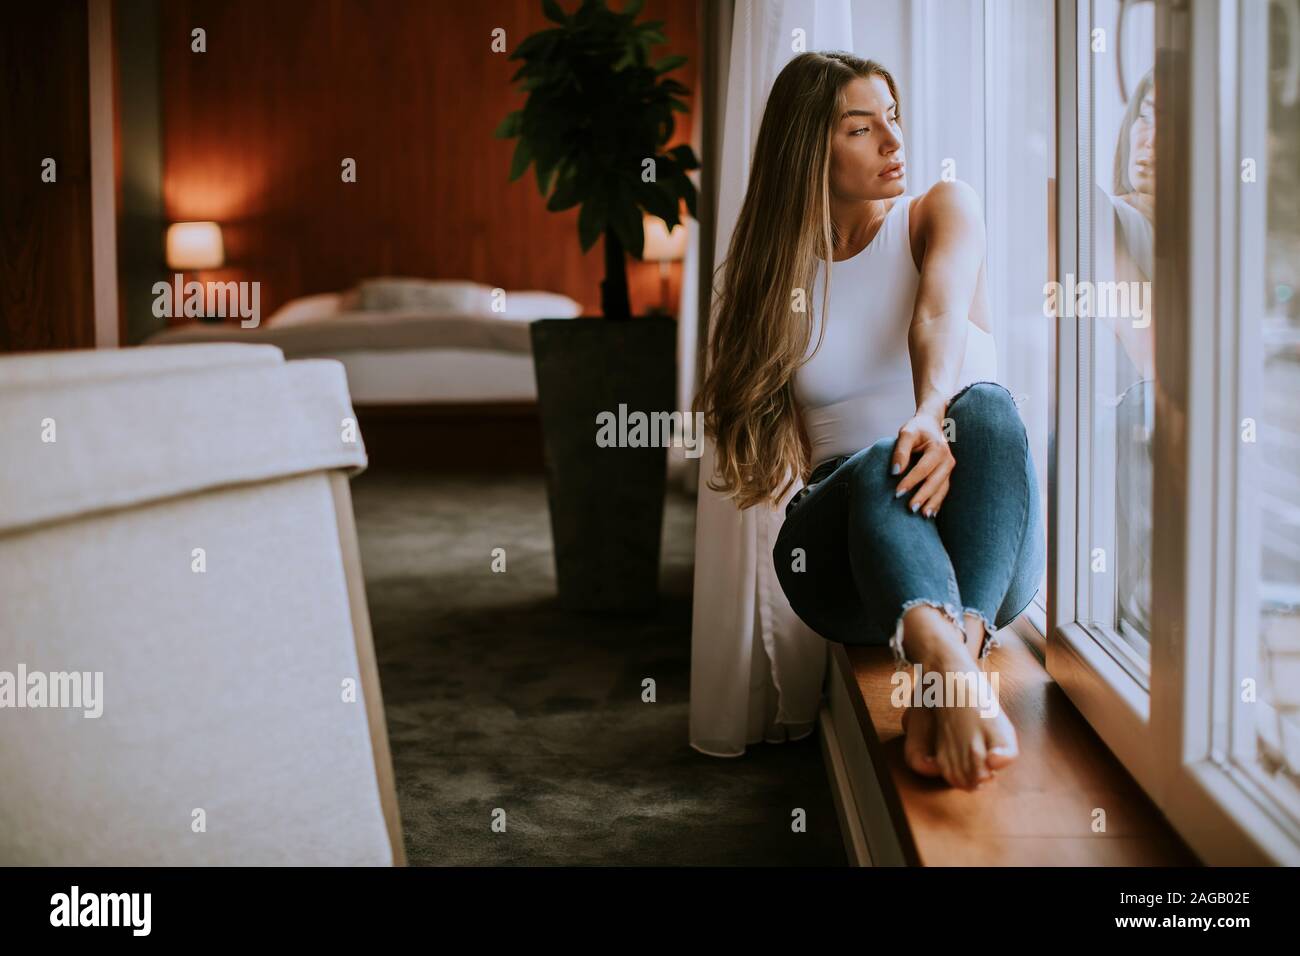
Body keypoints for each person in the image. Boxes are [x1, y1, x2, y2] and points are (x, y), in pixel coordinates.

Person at [695, 52, 1045, 790]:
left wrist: (927, 414)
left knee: (983, 407)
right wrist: (898, 444)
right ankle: (952, 662)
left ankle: (948, 658)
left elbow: (939, 311)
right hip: (843, 562)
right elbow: (766, 443)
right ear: (808, 152)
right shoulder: (774, 277)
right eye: (862, 127)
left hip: (983, 557)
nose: (894, 141)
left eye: (893, 117)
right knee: (877, 461)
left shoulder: (940, 211)